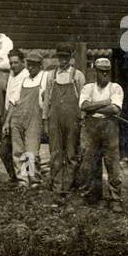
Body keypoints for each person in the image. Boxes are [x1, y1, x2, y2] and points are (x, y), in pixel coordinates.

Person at [78, 56, 124, 211]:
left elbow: (115, 109)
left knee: (112, 164)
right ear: (95, 72)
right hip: (91, 128)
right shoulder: (88, 88)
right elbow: (83, 106)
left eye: (107, 72)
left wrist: (93, 107)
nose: (104, 74)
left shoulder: (116, 88)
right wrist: (105, 102)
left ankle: (115, 198)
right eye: (101, 71)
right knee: (90, 163)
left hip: (109, 127)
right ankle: (93, 197)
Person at [45, 44, 85, 194]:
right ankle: (56, 186)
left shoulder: (77, 76)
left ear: (71, 58)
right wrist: (45, 119)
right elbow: (47, 100)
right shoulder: (51, 75)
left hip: (72, 120)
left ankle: (68, 186)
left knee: (71, 153)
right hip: (54, 119)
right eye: (60, 57)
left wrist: (82, 120)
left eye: (66, 57)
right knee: (55, 152)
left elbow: (83, 100)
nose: (63, 60)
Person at [6, 51, 47, 187]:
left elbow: (47, 99)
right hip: (18, 118)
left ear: (40, 65)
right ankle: (23, 180)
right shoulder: (24, 79)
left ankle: (33, 179)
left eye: (34, 65)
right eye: (29, 65)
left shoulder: (44, 77)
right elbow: (13, 101)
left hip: (33, 118)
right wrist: (7, 121)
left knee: (30, 151)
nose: (30, 68)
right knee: (18, 151)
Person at [0, 50, 26, 181]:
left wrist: (7, 122)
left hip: (21, 116)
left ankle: (28, 178)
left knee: (26, 151)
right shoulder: (12, 74)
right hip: (10, 114)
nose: (13, 65)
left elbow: (14, 101)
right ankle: (15, 177)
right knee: (5, 151)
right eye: (11, 63)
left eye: (16, 62)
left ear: (22, 62)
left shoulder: (24, 75)